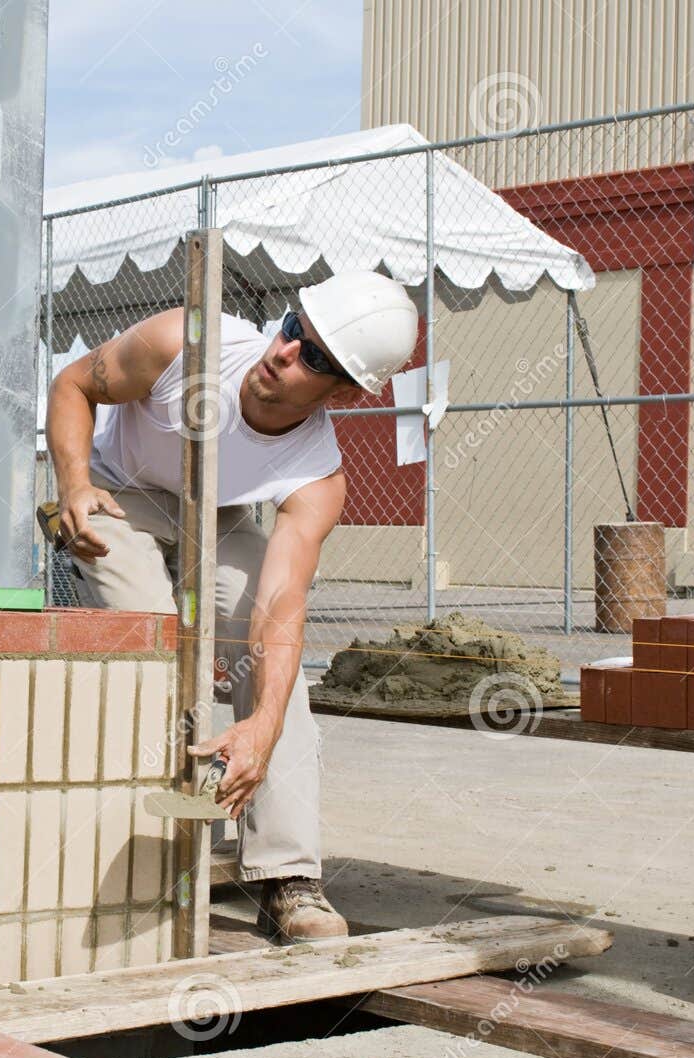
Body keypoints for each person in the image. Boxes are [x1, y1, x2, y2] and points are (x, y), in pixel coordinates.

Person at [45, 271, 417, 940]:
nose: (284, 350)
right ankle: (147, 834)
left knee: (276, 676)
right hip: (117, 494)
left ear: (343, 390)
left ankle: (288, 875)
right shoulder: (183, 343)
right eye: (293, 325)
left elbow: (280, 604)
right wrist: (72, 483)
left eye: (313, 356)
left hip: (214, 515)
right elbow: (72, 384)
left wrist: (263, 724)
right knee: (155, 634)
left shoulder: (318, 476)